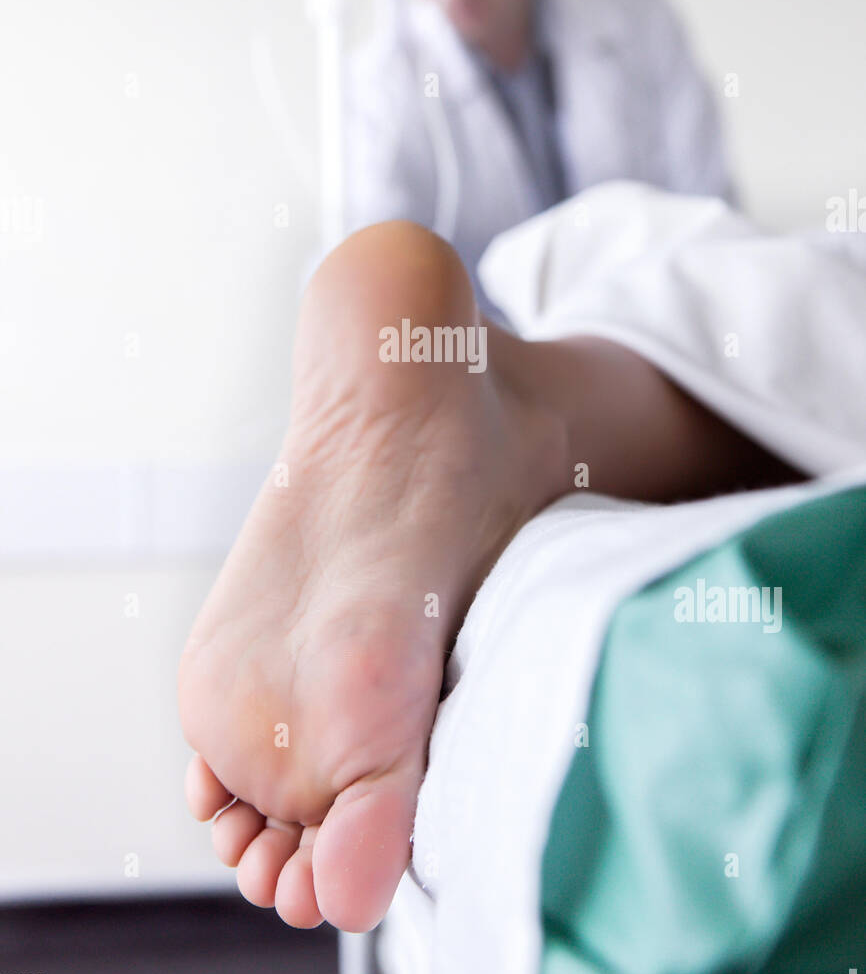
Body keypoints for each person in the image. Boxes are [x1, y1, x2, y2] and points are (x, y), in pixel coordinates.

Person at [178, 218, 796, 935]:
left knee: (787, 338)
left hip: (647, 286)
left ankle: (534, 413)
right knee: (818, 366)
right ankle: (525, 425)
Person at [345, 0, 733, 300]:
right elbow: (378, 277)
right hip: (485, 365)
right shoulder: (381, 85)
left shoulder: (637, 16)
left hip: (655, 345)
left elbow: (711, 215)